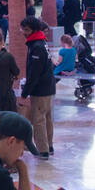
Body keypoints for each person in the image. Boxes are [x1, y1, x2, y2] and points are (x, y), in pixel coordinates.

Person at [20, 17, 56, 158]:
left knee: (38, 119)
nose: (23, 32)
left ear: (34, 30)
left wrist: (25, 92)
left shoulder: (37, 47)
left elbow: (34, 73)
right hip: (48, 87)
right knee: (46, 117)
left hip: (41, 90)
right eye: (23, 29)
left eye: (26, 30)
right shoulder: (41, 42)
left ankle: (43, 150)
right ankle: (49, 146)